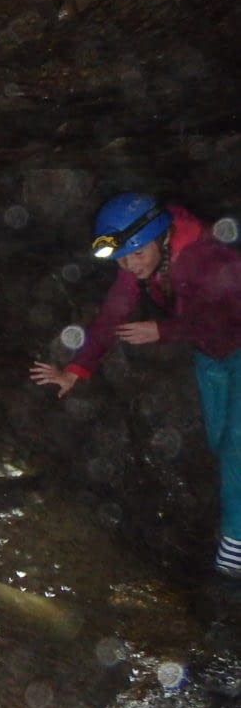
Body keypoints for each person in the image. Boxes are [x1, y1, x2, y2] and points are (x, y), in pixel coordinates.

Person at [30, 192, 241, 578]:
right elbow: (113, 313)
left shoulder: (206, 258)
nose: (129, 265)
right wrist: (75, 369)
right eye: (121, 259)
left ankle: (234, 555)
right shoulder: (141, 258)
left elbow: (230, 317)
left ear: (159, 237)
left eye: (135, 255)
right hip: (211, 356)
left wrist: (163, 329)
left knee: (235, 446)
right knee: (218, 440)